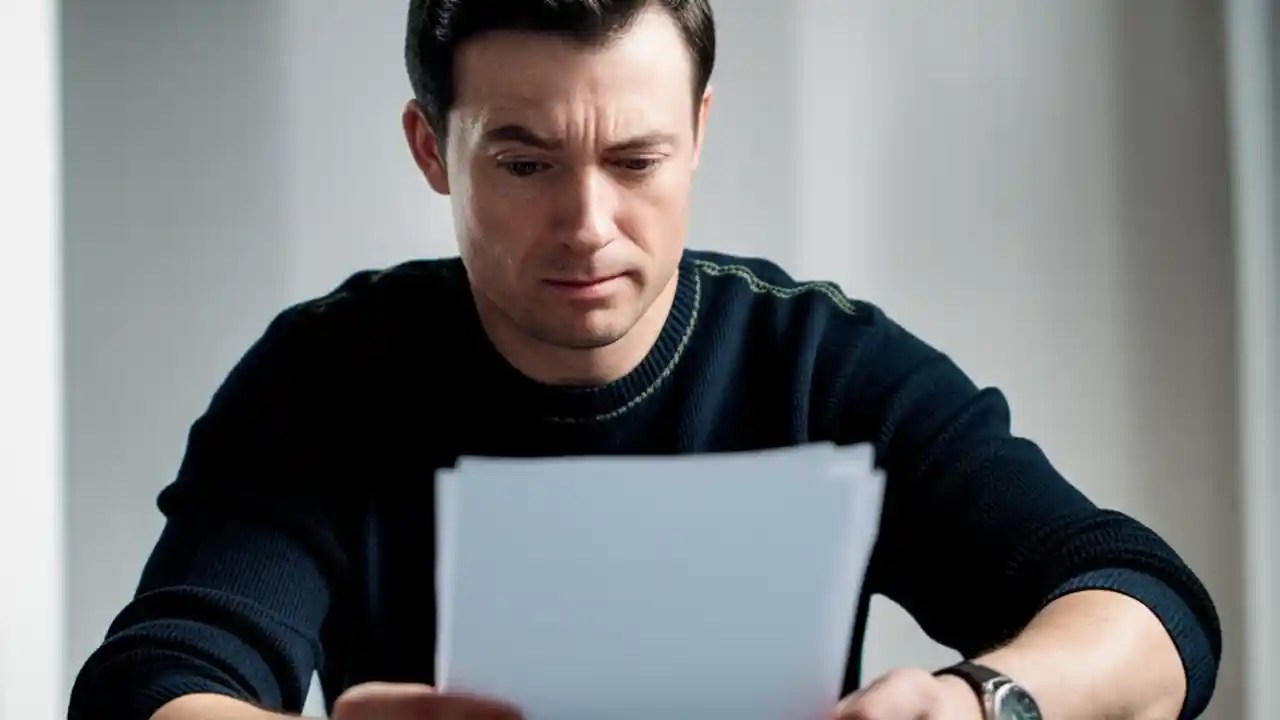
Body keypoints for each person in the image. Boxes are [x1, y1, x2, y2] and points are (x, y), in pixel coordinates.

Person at [69, 1, 1221, 719]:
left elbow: (1148, 609)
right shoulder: (328, 377)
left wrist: (982, 704)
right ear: (432, 149)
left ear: (700, 136)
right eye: (523, 164)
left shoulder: (818, 364)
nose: (586, 223)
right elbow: (157, 678)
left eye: (636, 159)